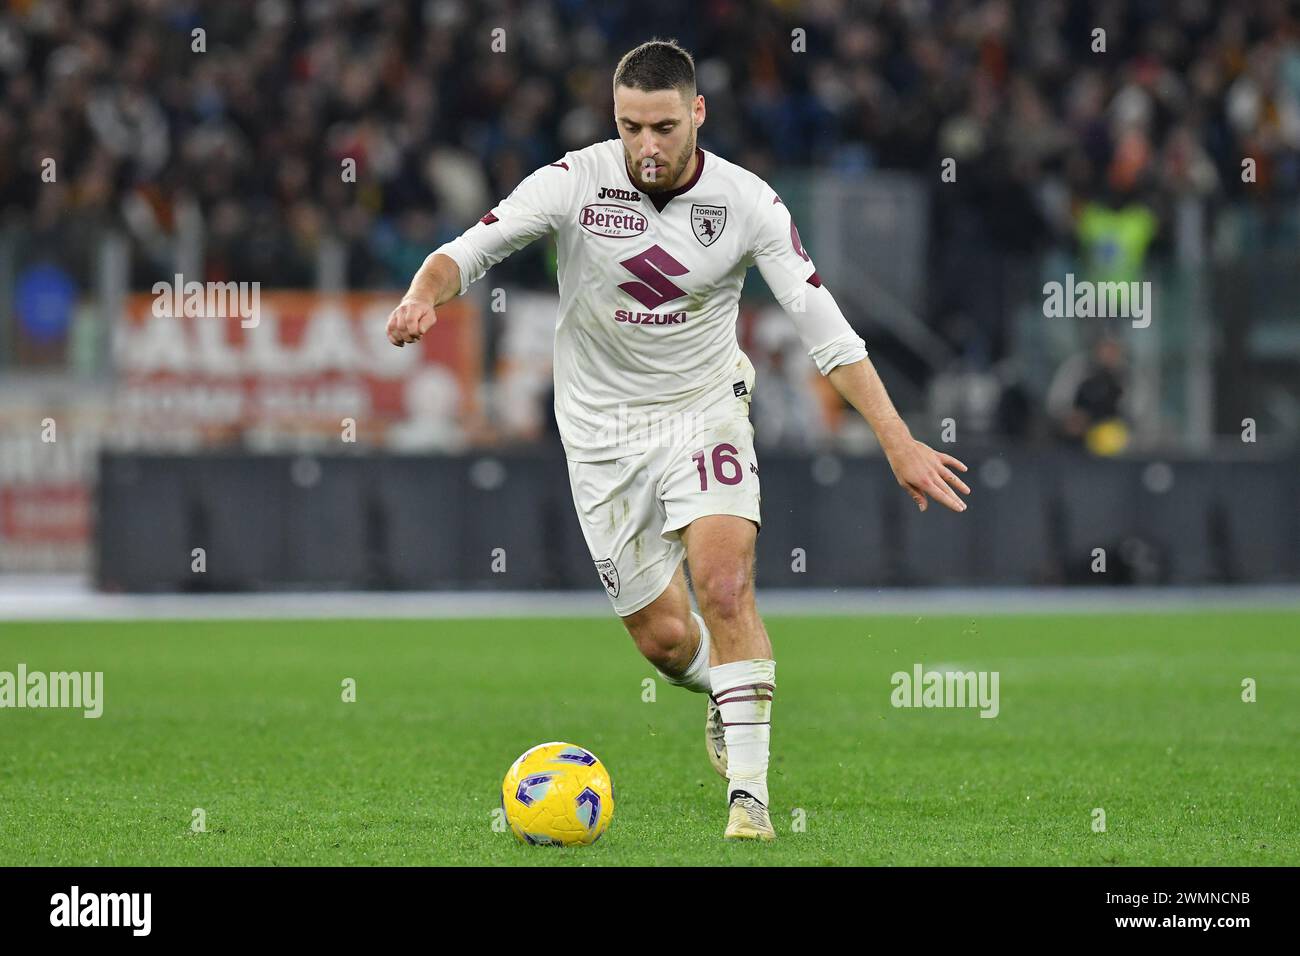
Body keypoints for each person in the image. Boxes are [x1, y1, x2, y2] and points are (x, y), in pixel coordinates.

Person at [385, 39, 970, 840]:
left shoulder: (749, 203)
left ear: (697, 113)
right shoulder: (572, 181)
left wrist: (897, 440)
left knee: (724, 587)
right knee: (664, 641)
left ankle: (751, 803)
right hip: (599, 433)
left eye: (662, 126)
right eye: (630, 127)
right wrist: (423, 295)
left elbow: (825, 331)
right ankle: (723, 689)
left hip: (704, 411)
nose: (646, 147)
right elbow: (470, 249)